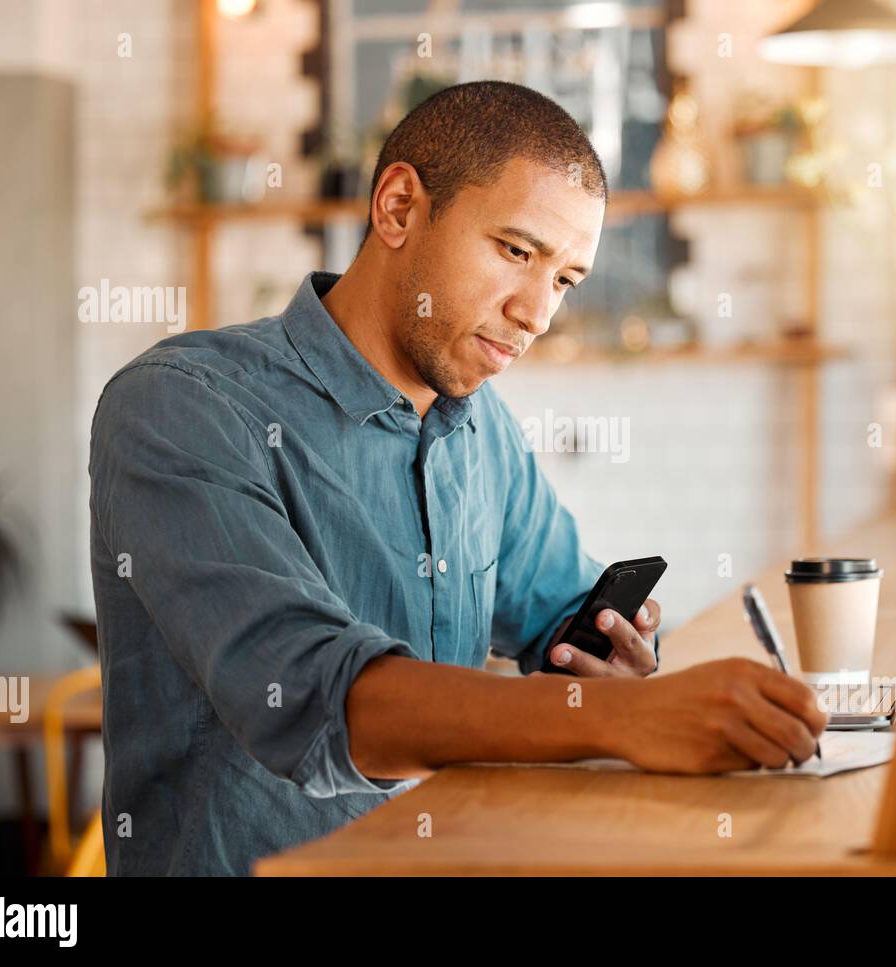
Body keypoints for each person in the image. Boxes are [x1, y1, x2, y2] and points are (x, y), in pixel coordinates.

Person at [89, 80, 826, 875]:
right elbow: (314, 698)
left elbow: (564, 619)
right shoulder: (179, 406)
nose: (539, 313)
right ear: (399, 207)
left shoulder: (482, 429)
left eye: (566, 279)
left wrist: (612, 661)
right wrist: (616, 719)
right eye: (517, 251)